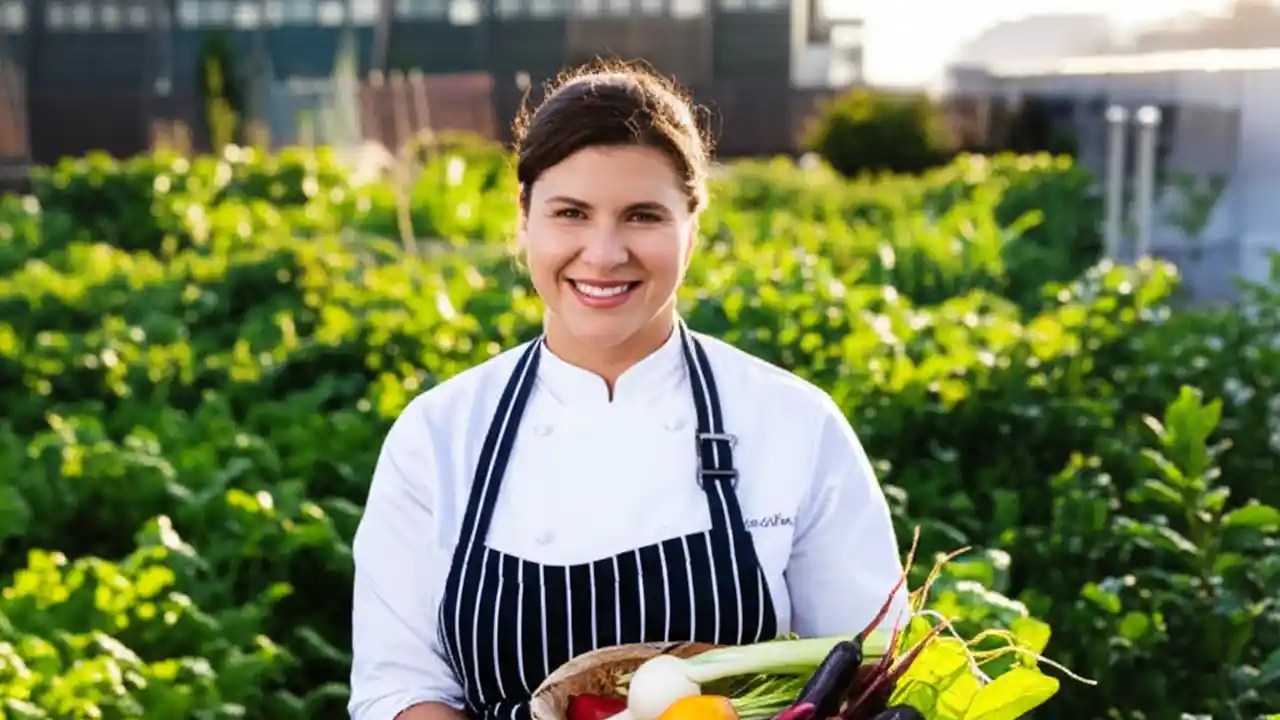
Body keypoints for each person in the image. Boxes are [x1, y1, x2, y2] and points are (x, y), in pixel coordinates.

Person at [347, 62, 910, 720]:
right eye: (571, 213)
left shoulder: (793, 425)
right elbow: (399, 689)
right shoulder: (438, 437)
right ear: (524, 220)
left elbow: (870, 670)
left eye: (643, 216)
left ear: (691, 230)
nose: (605, 253)